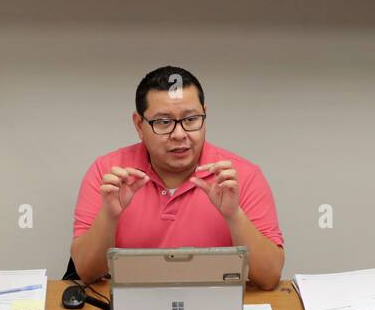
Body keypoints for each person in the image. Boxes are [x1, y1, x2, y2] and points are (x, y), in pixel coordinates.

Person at [70, 64, 285, 290]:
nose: (180, 135)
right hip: (132, 309)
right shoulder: (109, 173)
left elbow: (269, 277)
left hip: (215, 309)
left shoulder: (240, 176)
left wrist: (234, 215)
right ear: (139, 125)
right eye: (163, 122)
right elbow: (86, 272)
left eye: (191, 119)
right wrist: (109, 216)